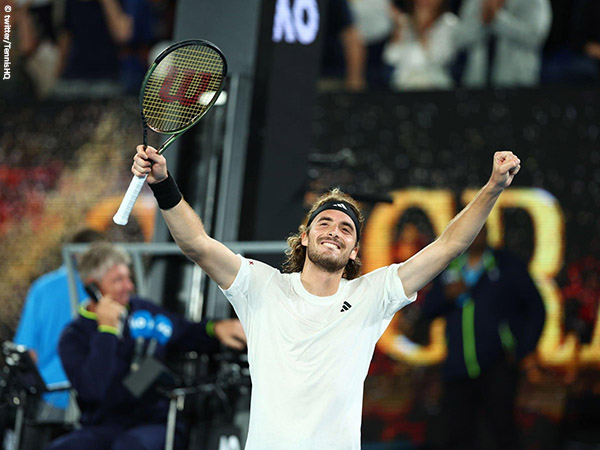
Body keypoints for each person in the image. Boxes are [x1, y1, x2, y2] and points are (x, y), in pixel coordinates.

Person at [131, 145, 521, 449]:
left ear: (354, 251)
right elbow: (196, 244)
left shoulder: (373, 295)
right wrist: (163, 183)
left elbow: (449, 245)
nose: (335, 230)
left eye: (347, 229)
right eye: (325, 223)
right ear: (305, 236)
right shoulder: (261, 286)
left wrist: (492, 188)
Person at [46, 242, 246, 450]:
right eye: (118, 280)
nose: (129, 286)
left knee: (130, 446)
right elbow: (92, 390)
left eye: (128, 278)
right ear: (92, 286)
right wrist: (107, 331)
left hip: (155, 422)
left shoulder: (146, 312)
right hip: (103, 425)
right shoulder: (74, 335)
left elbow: (186, 332)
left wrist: (215, 328)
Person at [418, 226, 545, 449]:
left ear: (488, 233)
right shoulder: (450, 266)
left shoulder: (506, 265)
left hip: (498, 363)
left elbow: (536, 308)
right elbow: (427, 310)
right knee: (458, 433)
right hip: (457, 366)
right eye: (470, 228)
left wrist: (526, 349)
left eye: (480, 229)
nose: (475, 234)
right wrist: (446, 295)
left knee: (501, 430)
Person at [14, 228, 106, 419]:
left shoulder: (42, 287)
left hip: (47, 396)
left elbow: (27, 351)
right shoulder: (104, 293)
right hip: (90, 399)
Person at [453, 0, 552, 88]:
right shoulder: (474, 2)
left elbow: (535, 38)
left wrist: (497, 19)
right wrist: (483, 22)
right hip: (476, 81)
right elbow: (460, 39)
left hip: (518, 83)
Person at [382, 0, 459, 90]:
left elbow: (439, 58)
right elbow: (390, 57)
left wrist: (420, 31)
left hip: (434, 85)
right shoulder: (404, 21)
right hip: (403, 85)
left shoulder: (448, 22)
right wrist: (398, 29)